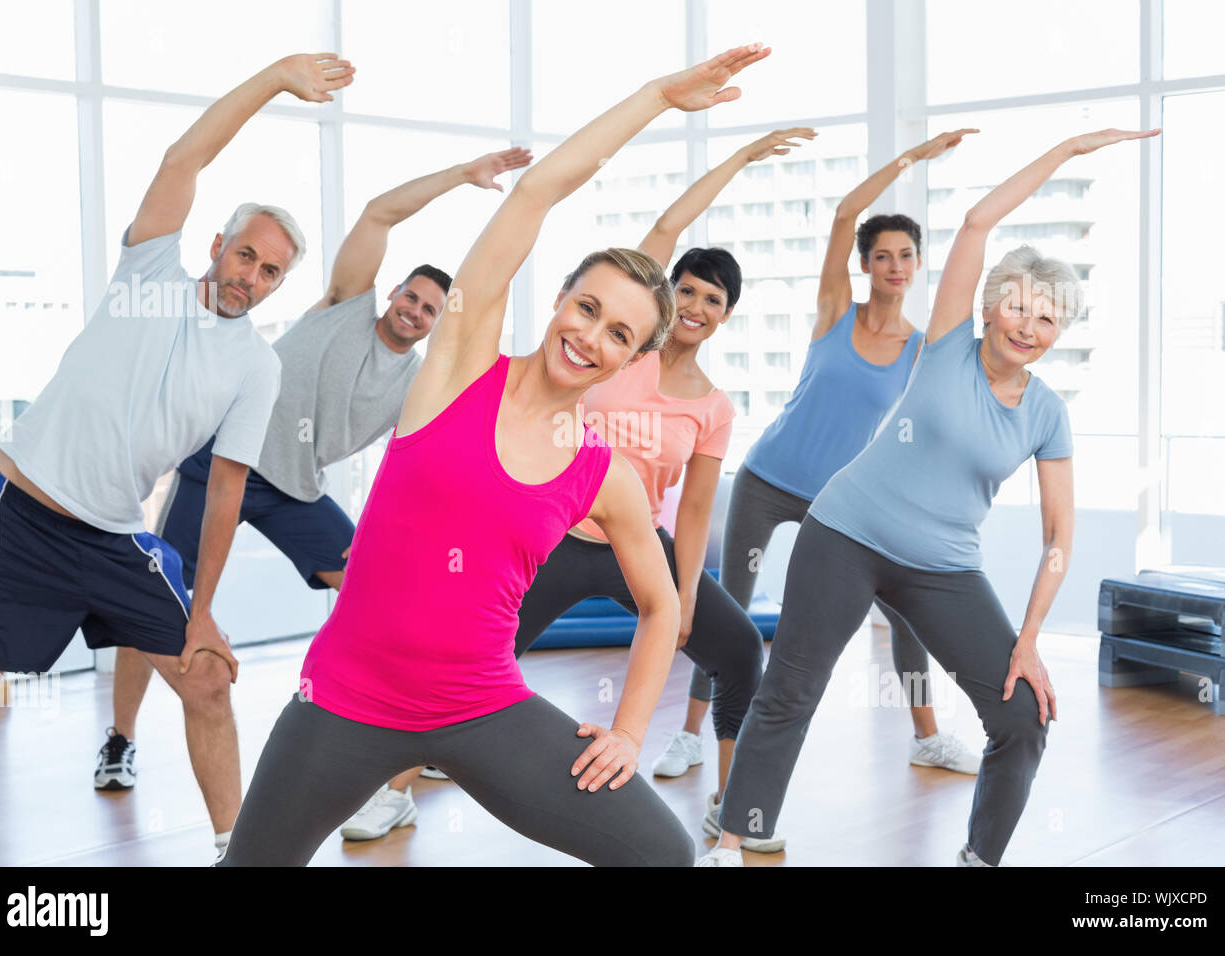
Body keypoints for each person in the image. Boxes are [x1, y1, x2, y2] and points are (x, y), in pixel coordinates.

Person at [219, 45, 771, 868]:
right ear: (557, 301)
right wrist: (656, 96)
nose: (590, 336)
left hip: (481, 708)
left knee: (662, 853)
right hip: (344, 700)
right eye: (586, 308)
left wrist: (627, 731)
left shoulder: (601, 474)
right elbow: (539, 190)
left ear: (633, 360)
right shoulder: (458, 368)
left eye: (619, 333)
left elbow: (663, 609)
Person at [697, 126, 1158, 867]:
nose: (1029, 328)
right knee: (791, 691)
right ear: (990, 306)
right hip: (844, 532)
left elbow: (1059, 533)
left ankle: (979, 858)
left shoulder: (1047, 413)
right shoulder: (945, 342)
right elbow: (979, 220)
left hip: (943, 565)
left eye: (1048, 319)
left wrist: (1031, 637)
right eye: (1020, 308)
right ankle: (730, 841)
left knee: (1021, 715)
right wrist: (1064, 152)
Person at [0, 53, 355, 862]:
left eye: (271, 270)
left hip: (111, 538)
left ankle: (235, 851)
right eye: (246, 255)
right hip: (22, 513)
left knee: (207, 675)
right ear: (217, 244)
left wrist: (202, 608)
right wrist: (276, 78)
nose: (253, 276)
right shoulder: (147, 272)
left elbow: (226, 492)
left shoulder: (258, 366)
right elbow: (185, 158)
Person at [92, 148, 533, 820]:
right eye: (410, 296)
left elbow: (453, 454)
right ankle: (120, 738)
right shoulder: (344, 306)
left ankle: (407, 733)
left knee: (377, 588)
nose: (414, 311)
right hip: (219, 461)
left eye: (429, 310)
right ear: (391, 293)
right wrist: (459, 176)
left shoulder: (419, 385)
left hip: (295, 486)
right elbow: (379, 213)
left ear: (438, 325)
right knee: (153, 600)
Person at [510, 129, 813, 854]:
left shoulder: (714, 406)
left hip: (635, 543)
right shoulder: (622, 348)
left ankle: (734, 810)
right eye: (687, 291)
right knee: (475, 642)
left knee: (739, 648)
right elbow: (668, 228)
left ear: (726, 315)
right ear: (666, 295)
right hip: (557, 533)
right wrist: (740, 159)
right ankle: (401, 777)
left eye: (713, 300)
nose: (697, 307)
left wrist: (679, 601)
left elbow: (700, 506)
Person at [659, 131, 984, 800]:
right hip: (768, 480)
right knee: (731, 604)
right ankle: (691, 733)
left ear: (918, 265)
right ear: (864, 264)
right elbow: (841, 215)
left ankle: (927, 735)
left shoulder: (920, 350)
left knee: (905, 613)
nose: (895, 265)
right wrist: (908, 160)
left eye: (906, 256)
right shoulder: (835, 312)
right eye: (882, 255)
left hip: (841, 502)